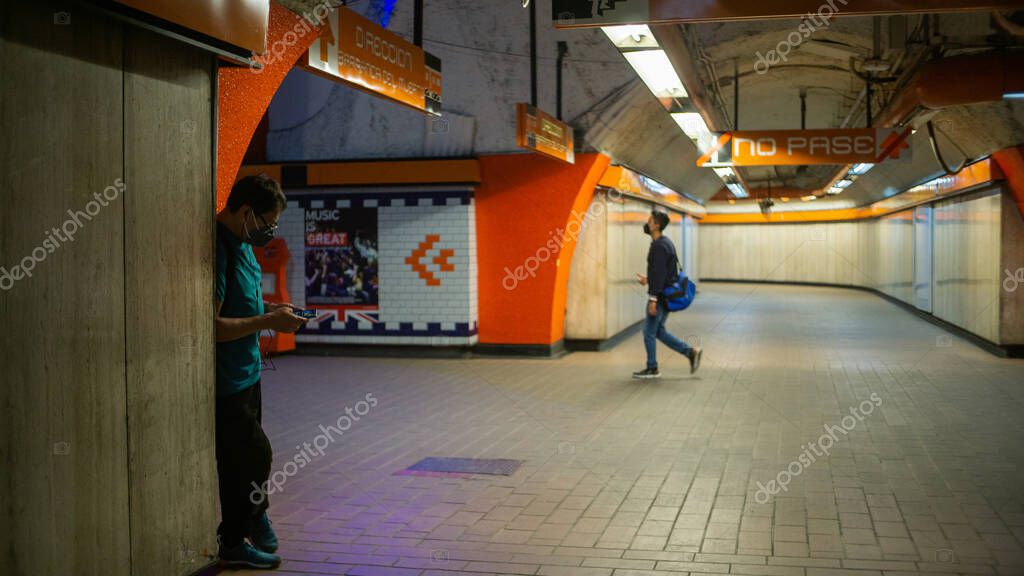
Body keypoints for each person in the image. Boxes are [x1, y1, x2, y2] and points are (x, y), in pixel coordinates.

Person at [214, 174, 306, 569]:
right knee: (253, 456)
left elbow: (246, 301)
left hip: (249, 374)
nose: (269, 230)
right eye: (266, 221)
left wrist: (274, 311)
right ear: (245, 211)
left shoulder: (244, 247)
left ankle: (247, 524)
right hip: (227, 382)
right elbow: (215, 326)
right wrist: (266, 322)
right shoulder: (220, 249)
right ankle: (239, 534)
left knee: (247, 460)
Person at [633, 209, 702, 379]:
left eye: (649, 222)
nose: (647, 224)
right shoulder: (666, 243)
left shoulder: (658, 246)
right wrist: (649, 279)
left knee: (649, 332)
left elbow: (661, 274)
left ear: (656, 225)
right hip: (665, 293)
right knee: (658, 332)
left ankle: (652, 368)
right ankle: (690, 352)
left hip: (661, 296)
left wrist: (653, 299)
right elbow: (663, 273)